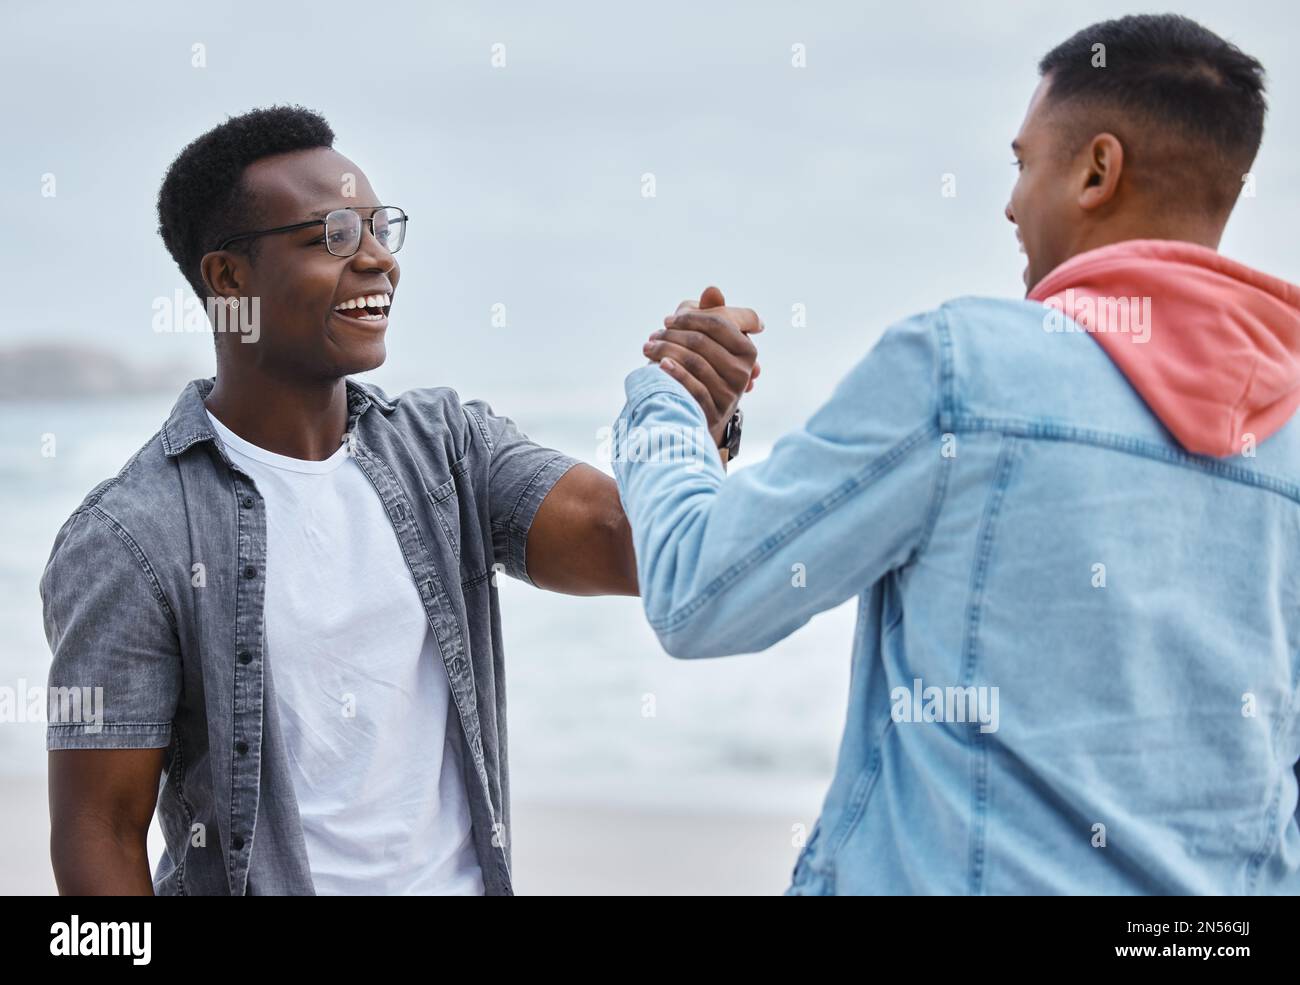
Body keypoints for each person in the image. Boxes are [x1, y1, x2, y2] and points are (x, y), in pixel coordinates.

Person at [618, 14, 1300, 894]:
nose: (1010, 203)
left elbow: (697, 591)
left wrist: (669, 400)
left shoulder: (963, 371)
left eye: (1023, 164)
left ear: (1097, 170)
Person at [41, 105, 759, 895]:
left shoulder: (445, 448)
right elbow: (97, 834)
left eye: (380, 229)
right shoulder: (131, 536)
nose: (379, 259)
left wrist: (698, 417)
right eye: (335, 236)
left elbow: (629, 541)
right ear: (229, 279)